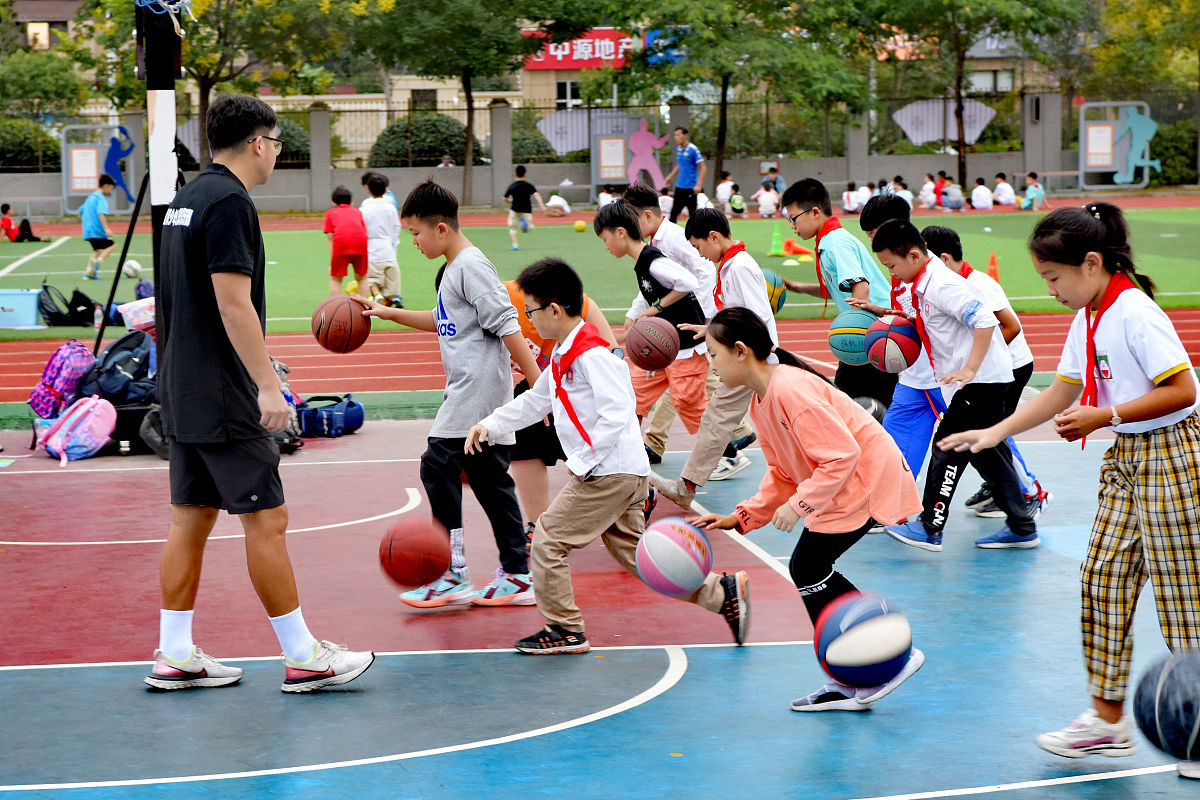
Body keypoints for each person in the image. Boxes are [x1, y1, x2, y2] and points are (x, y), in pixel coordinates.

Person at [938, 203, 1200, 779]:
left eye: (1054, 277)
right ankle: (1107, 722)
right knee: (1101, 579)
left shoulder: (1135, 311)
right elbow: (1062, 390)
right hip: (1128, 458)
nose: (1050, 290)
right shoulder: (1090, 315)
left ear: (1091, 263)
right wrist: (994, 432)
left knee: (1183, 595)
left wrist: (1105, 415)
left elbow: (1183, 390)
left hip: (1171, 455)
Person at [149, 93, 373, 693]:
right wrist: (268, 386)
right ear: (257, 143)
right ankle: (303, 656)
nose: (276, 152)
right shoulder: (228, 202)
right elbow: (232, 302)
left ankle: (175, 653)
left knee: (190, 517)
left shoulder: (186, 199)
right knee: (267, 519)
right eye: (275, 142)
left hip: (181, 386)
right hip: (224, 392)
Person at [467, 259, 750, 653]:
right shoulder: (566, 352)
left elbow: (618, 413)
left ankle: (565, 629)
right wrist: (491, 424)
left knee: (548, 539)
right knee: (639, 557)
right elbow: (536, 400)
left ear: (554, 309)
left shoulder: (591, 355)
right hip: (620, 471)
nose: (528, 318)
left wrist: (583, 463)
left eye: (530, 310)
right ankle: (722, 594)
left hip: (608, 473)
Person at [694, 307, 925, 711]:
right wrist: (744, 515)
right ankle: (852, 674)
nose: (711, 365)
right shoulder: (762, 400)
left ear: (741, 351)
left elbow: (842, 455)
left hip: (866, 481)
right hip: (843, 484)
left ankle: (885, 658)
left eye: (713, 354)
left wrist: (798, 506)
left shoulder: (790, 390)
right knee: (809, 568)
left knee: (808, 566)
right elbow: (783, 471)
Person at [357, 180, 543, 608]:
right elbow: (442, 319)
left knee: (437, 465)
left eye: (415, 233)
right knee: (490, 481)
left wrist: (537, 385)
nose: (413, 241)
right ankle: (517, 574)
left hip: (476, 392)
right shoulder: (456, 268)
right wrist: (390, 314)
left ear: (440, 228)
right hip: (476, 390)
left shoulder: (470, 266)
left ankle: (451, 573)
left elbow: (507, 322)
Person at [870, 220, 1036, 552]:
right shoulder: (924, 280)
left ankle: (930, 526)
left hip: (981, 382)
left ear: (914, 255)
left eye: (892, 265)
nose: (892, 272)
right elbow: (936, 321)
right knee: (988, 454)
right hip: (985, 380)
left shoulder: (941, 284)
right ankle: (1022, 526)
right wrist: (886, 313)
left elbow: (985, 320)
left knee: (948, 446)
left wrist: (970, 368)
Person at [920, 224, 1050, 521]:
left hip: (1010, 367)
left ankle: (1030, 493)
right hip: (991, 370)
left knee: (994, 435)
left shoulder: (977, 283)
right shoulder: (948, 284)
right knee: (988, 437)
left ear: (943, 258)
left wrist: (979, 361)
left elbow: (1011, 327)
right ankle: (1002, 491)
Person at [622, 183, 753, 475]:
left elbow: (703, 271)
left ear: (646, 216)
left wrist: (703, 320)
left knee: (691, 393)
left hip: (689, 330)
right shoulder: (652, 243)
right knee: (677, 391)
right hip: (670, 332)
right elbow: (654, 286)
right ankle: (641, 449)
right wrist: (634, 314)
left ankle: (728, 446)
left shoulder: (672, 238)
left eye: (629, 221)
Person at [653, 208, 779, 510]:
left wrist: (743, 354)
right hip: (747, 359)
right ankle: (686, 486)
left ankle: (686, 486)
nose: (700, 254)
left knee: (728, 418)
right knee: (722, 417)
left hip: (754, 361)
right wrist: (711, 328)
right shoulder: (731, 265)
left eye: (699, 247)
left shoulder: (740, 267)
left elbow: (758, 316)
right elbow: (739, 314)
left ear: (713, 237)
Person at [502, 267, 620, 551]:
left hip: (576, 378)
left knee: (586, 443)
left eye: (531, 311)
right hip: (545, 379)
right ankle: (538, 525)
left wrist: (610, 359)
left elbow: (609, 347)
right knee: (524, 440)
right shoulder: (473, 324)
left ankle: (636, 494)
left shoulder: (518, 299)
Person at [592, 200, 710, 440]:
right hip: (660, 347)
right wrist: (633, 322)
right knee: (632, 397)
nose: (605, 247)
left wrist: (655, 308)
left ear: (621, 233)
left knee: (688, 403)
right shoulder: (642, 262)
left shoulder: (653, 260)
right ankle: (628, 449)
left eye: (605, 239)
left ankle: (723, 450)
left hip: (686, 346)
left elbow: (689, 282)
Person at [779, 178, 896, 409]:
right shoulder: (830, 240)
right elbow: (842, 290)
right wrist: (796, 286)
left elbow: (861, 288)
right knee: (861, 402)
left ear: (815, 212)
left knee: (854, 404)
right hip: (871, 331)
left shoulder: (836, 244)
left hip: (873, 333)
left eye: (793, 218)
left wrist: (852, 329)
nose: (792, 225)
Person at [852, 195, 945, 483]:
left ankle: (1027, 492)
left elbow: (975, 321)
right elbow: (913, 317)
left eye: (873, 232)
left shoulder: (932, 271)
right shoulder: (898, 270)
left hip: (946, 375)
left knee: (982, 441)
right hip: (915, 375)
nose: (870, 240)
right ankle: (893, 498)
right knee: (894, 443)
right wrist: (885, 314)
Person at [361, 172, 403, 307]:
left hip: (372, 248)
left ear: (368, 189)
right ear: (385, 189)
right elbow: (396, 227)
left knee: (372, 278)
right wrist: (392, 241)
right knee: (391, 278)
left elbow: (362, 228)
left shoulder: (365, 207)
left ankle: (377, 294)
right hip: (388, 249)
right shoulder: (390, 207)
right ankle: (390, 298)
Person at [323, 185, 368, 296]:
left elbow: (330, 237)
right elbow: (363, 232)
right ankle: (366, 305)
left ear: (333, 202)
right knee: (362, 278)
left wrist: (334, 257)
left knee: (336, 279)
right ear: (350, 202)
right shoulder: (358, 212)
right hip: (361, 244)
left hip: (341, 244)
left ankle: (337, 305)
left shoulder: (330, 213)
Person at [662, 126, 706, 223]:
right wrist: (670, 176)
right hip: (680, 187)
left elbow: (703, 167)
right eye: (675, 135)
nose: (676, 137)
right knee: (674, 213)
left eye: (678, 135)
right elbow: (680, 164)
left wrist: (699, 185)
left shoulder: (693, 149)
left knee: (693, 215)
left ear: (685, 135)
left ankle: (696, 232)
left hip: (691, 188)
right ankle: (670, 233)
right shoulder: (679, 149)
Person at [81, 174, 116, 280]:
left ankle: (89, 272)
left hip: (88, 230)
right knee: (112, 245)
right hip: (96, 229)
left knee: (96, 250)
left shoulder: (90, 197)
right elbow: (101, 213)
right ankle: (99, 261)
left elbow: (81, 210)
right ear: (105, 186)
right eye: (110, 188)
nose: (110, 191)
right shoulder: (100, 198)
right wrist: (106, 229)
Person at [504, 165, 546, 250]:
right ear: (525, 174)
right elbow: (536, 194)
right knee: (528, 228)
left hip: (515, 209)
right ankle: (524, 225)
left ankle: (515, 245)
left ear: (515, 174)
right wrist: (542, 205)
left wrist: (510, 201)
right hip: (526, 210)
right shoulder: (529, 185)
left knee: (513, 227)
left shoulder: (512, 186)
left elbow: (505, 198)